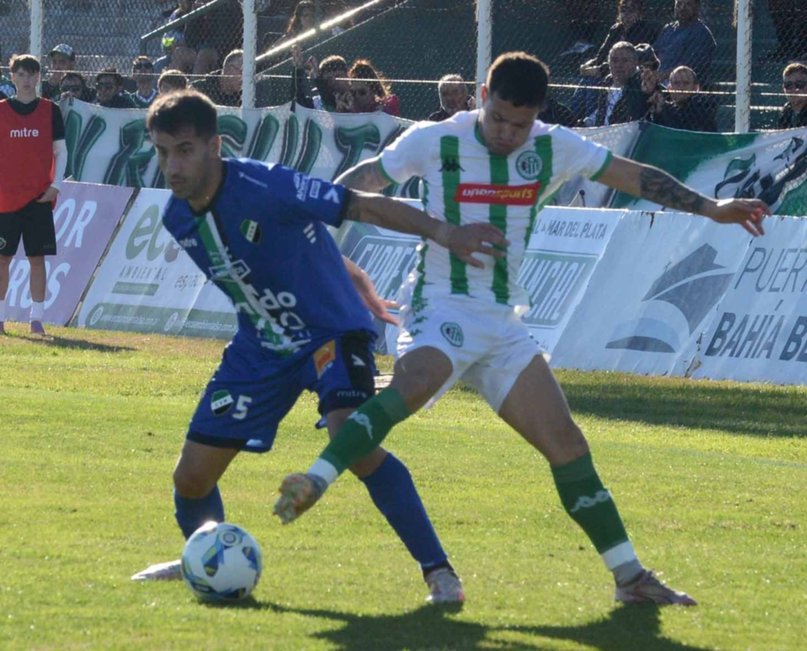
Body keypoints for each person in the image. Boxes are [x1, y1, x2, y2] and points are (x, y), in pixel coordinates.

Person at [273, 51, 770, 607]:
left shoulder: (554, 144)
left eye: (521, 123)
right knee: (418, 380)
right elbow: (365, 180)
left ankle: (630, 578)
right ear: (483, 96)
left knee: (568, 445)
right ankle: (315, 479)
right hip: (440, 304)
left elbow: (634, 176)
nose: (509, 133)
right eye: (499, 119)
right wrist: (313, 214)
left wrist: (711, 207)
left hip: (504, 323)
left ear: (537, 115)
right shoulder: (436, 139)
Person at [130, 89, 506, 604]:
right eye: (162, 151)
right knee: (191, 478)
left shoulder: (267, 184)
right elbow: (281, 250)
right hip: (260, 347)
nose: (172, 165)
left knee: (353, 441)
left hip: (330, 333)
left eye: (185, 150)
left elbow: (361, 205)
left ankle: (438, 571)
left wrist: (445, 232)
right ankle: (205, 554)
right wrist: (350, 273)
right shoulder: (178, 216)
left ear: (215, 146)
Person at [0, 55, 68, 336]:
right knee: (2, 259)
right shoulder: (1, 111)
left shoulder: (50, 111)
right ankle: (0, 318)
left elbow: (60, 151)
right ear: (12, 77)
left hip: (39, 197)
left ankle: (36, 318)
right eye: (21, 74)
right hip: (5, 198)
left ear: (39, 77)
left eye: (32, 74)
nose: (27, 80)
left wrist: (56, 186)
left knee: (37, 259)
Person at [582, 41, 647, 127]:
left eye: (625, 60)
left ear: (635, 63)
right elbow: (602, 111)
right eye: (614, 60)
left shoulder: (643, 85)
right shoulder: (607, 82)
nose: (618, 65)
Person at [652, 0, 715, 85]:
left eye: (688, 4)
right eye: (679, 4)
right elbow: (653, 53)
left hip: (681, 83)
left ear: (697, 8)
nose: (682, 8)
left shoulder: (701, 33)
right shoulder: (668, 29)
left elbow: (689, 66)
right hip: (657, 80)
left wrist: (662, 75)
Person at [647, 65, 717, 131]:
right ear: (669, 88)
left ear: (695, 88)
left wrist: (664, 108)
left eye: (686, 83)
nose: (681, 87)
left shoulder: (703, 105)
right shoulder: (666, 108)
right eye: (676, 83)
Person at [777, 62, 807, 129]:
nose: (794, 90)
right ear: (783, 88)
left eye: (799, 84)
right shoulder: (785, 111)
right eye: (788, 85)